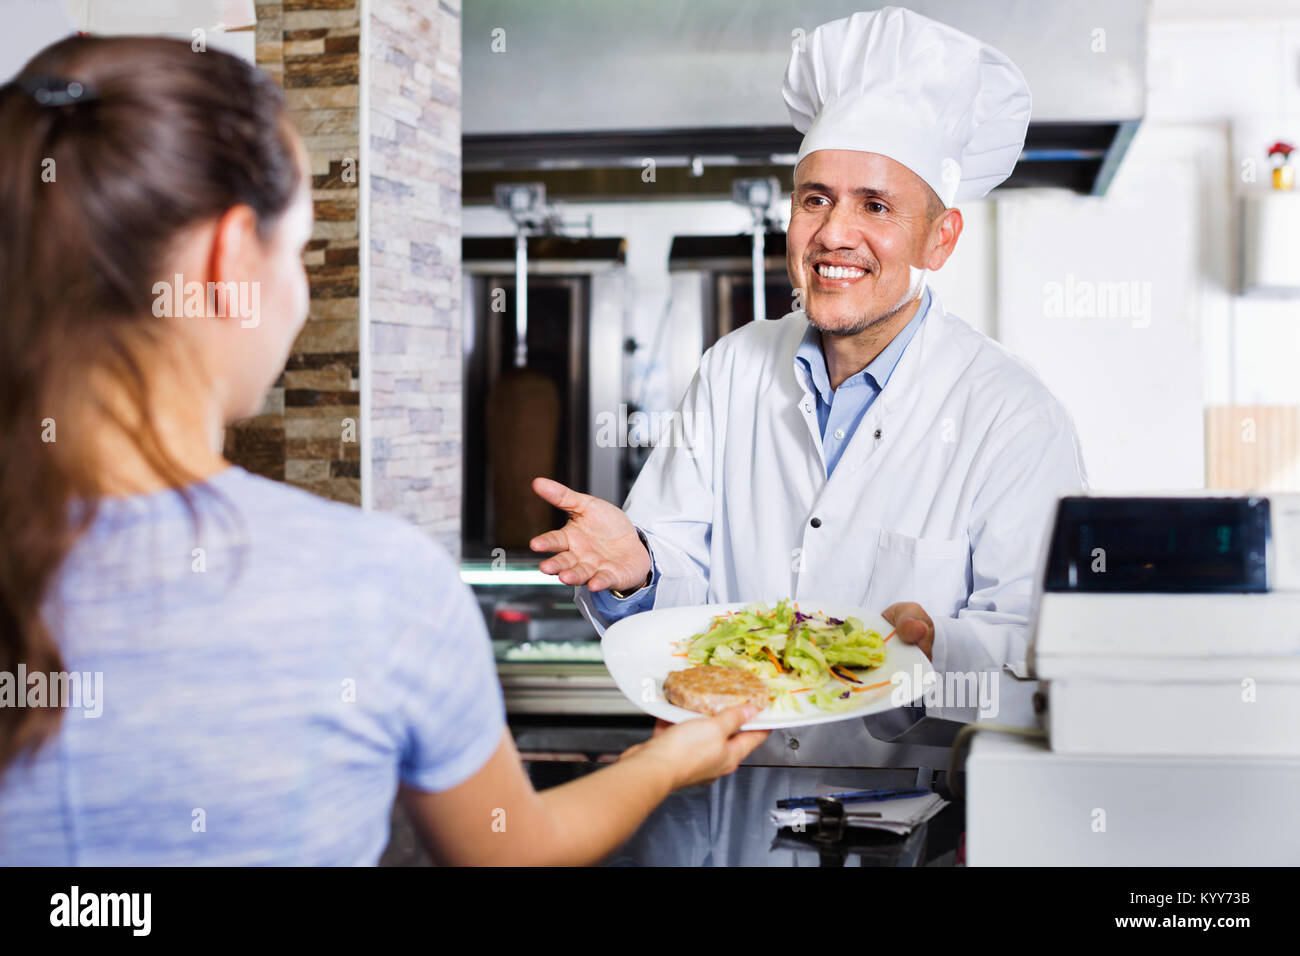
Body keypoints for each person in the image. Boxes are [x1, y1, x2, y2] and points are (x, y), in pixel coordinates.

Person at [0, 35, 767, 866]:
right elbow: (513, 850)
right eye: (296, 253)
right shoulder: (374, 581)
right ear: (227, 258)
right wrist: (664, 763)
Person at [529, 8, 1087, 862]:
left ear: (940, 238)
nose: (834, 235)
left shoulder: (1012, 416)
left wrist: (942, 644)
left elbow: (1046, 658)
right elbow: (691, 609)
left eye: (876, 205)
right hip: (719, 809)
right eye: (815, 199)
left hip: (914, 825)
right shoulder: (732, 368)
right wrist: (638, 569)